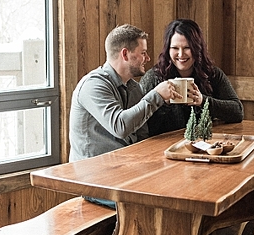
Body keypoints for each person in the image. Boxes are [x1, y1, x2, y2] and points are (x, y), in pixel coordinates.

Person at [68, 24, 178, 163]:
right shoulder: (93, 85)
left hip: (125, 166)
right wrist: (157, 95)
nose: (148, 58)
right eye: (143, 53)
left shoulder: (134, 88)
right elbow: (120, 127)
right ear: (125, 54)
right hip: (90, 174)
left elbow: (142, 135)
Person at [140, 19, 243, 137]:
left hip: (204, 145)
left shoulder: (212, 74)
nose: (181, 54)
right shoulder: (153, 77)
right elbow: (141, 126)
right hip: (162, 148)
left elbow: (237, 112)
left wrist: (203, 101)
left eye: (187, 47)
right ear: (168, 50)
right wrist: (163, 104)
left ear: (197, 48)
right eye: (175, 48)